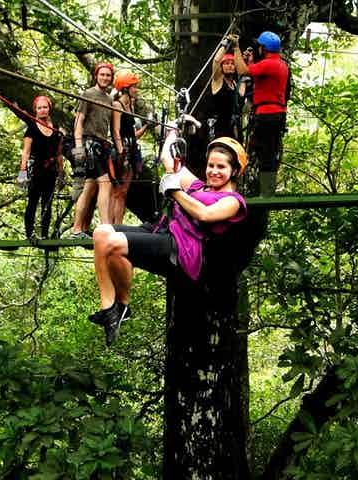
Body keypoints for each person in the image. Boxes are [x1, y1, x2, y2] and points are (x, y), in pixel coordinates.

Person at [90, 130, 249, 346]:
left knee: (114, 243)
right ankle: (110, 308)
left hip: (182, 249)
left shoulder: (233, 201)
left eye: (221, 167)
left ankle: (121, 306)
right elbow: (167, 159)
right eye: (211, 165)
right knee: (101, 233)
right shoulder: (198, 186)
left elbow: (204, 214)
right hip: (162, 231)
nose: (213, 171)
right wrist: (172, 131)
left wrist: (174, 191)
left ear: (235, 171)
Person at [230, 31, 290, 195]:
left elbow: (242, 71)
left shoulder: (268, 64)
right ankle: (265, 190)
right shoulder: (280, 64)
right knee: (264, 150)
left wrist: (236, 48)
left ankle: (267, 192)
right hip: (275, 114)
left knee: (266, 153)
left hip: (267, 114)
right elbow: (260, 78)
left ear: (264, 48)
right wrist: (250, 62)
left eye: (259, 47)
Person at [70, 62, 115, 239]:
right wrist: (79, 146)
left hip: (102, 144)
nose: (105, 78)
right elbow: (78, 122)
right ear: (96, 76)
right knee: (106, 183)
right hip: (89, 143)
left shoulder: (109, 99)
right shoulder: (87, 94)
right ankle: (105, 226)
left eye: (108, 75)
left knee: (89, 188)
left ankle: (76, 229)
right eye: (102, 74)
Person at [16, 95, 64, 240]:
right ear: (35, 110)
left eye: (45, 107)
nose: (43, 110)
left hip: (51, 170)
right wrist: (22, 172)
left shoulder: (56, 129)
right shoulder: (32, 128)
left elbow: (59, 153)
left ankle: (44, 235)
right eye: (39, 108)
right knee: (33, 201)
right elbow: (26, 152)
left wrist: (61, 172)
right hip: (36, 169)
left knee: (47, 203)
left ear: (49, 109)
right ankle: (29, 233)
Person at [110, 71, 149, 224]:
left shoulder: (129, 106)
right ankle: (112, 224)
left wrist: (146, 126)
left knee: (124, 192)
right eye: (133, 87)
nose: (136, 90)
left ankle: (118, 224)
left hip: (131, 148)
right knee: (117, 191)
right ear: (125, 88)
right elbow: (116, 130)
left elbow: (133, 135)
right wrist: (121, 152)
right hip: (122, 150)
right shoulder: (117, 104)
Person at [208, 49, 240, 140]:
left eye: (232, 63)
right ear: (221, 67)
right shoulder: (217, 80)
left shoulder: (235, 84)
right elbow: (216, 61)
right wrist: (225, 44)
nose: (230, 66)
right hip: (219, 127)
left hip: (233, 127)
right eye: (226, 63)